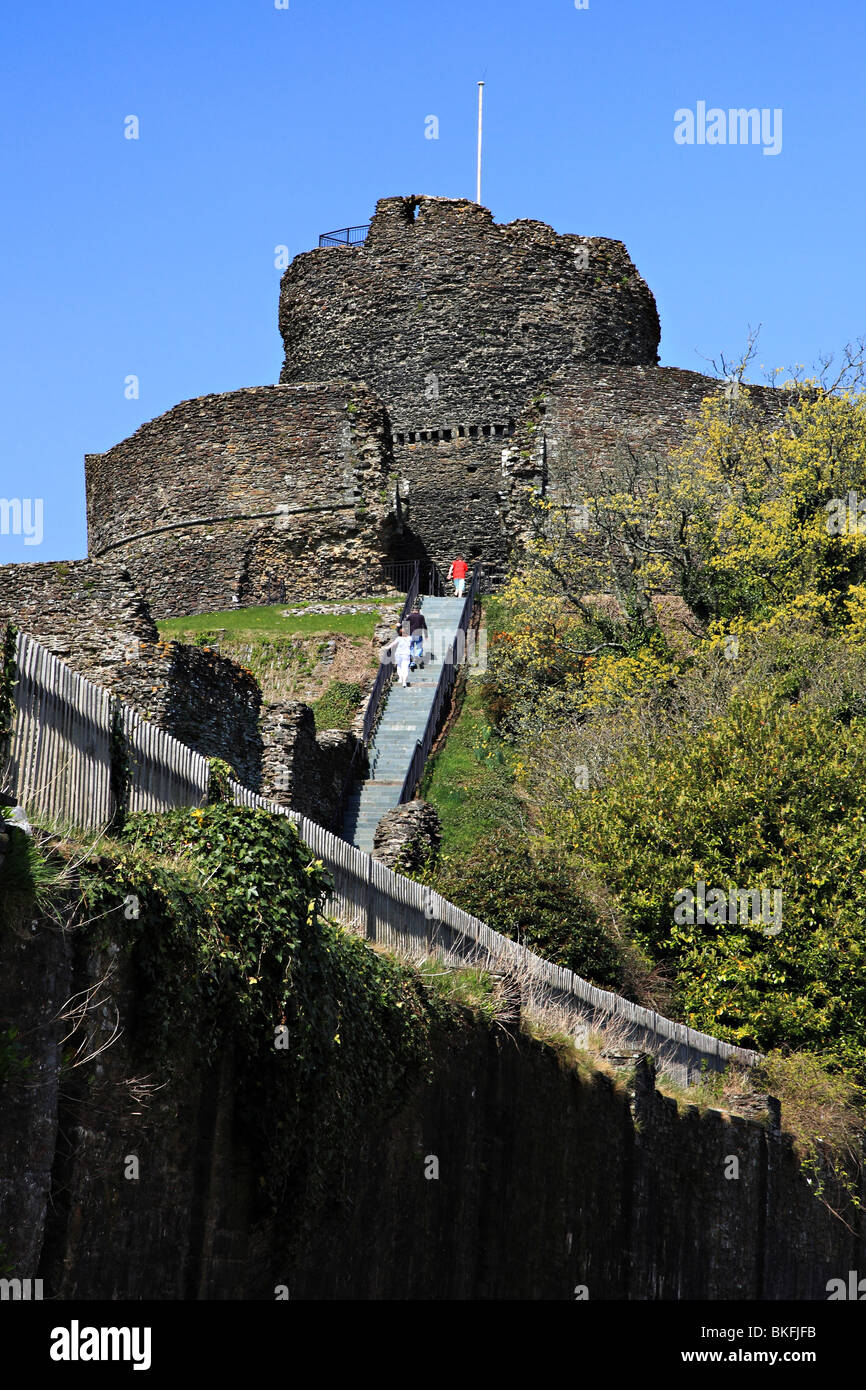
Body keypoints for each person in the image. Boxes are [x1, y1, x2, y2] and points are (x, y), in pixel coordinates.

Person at [406, 601, 428, 669]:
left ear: (413, 610)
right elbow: (424, 626)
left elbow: (404, 624)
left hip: (411, 634)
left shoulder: (410, 616)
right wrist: (426, 635)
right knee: (419, 648)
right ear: (419, 611)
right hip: (418, 634)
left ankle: (412, 661)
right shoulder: (421, 617)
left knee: (411, 647)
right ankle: (417, 656)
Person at [392, 622, 412, 687]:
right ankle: (404, 682)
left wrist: (398, 627)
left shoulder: (399, 638)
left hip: (398, 654)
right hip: (406, 654)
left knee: (399, 666)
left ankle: (400, 678)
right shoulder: (410, 638)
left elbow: (392, 644)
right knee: (405, 668)